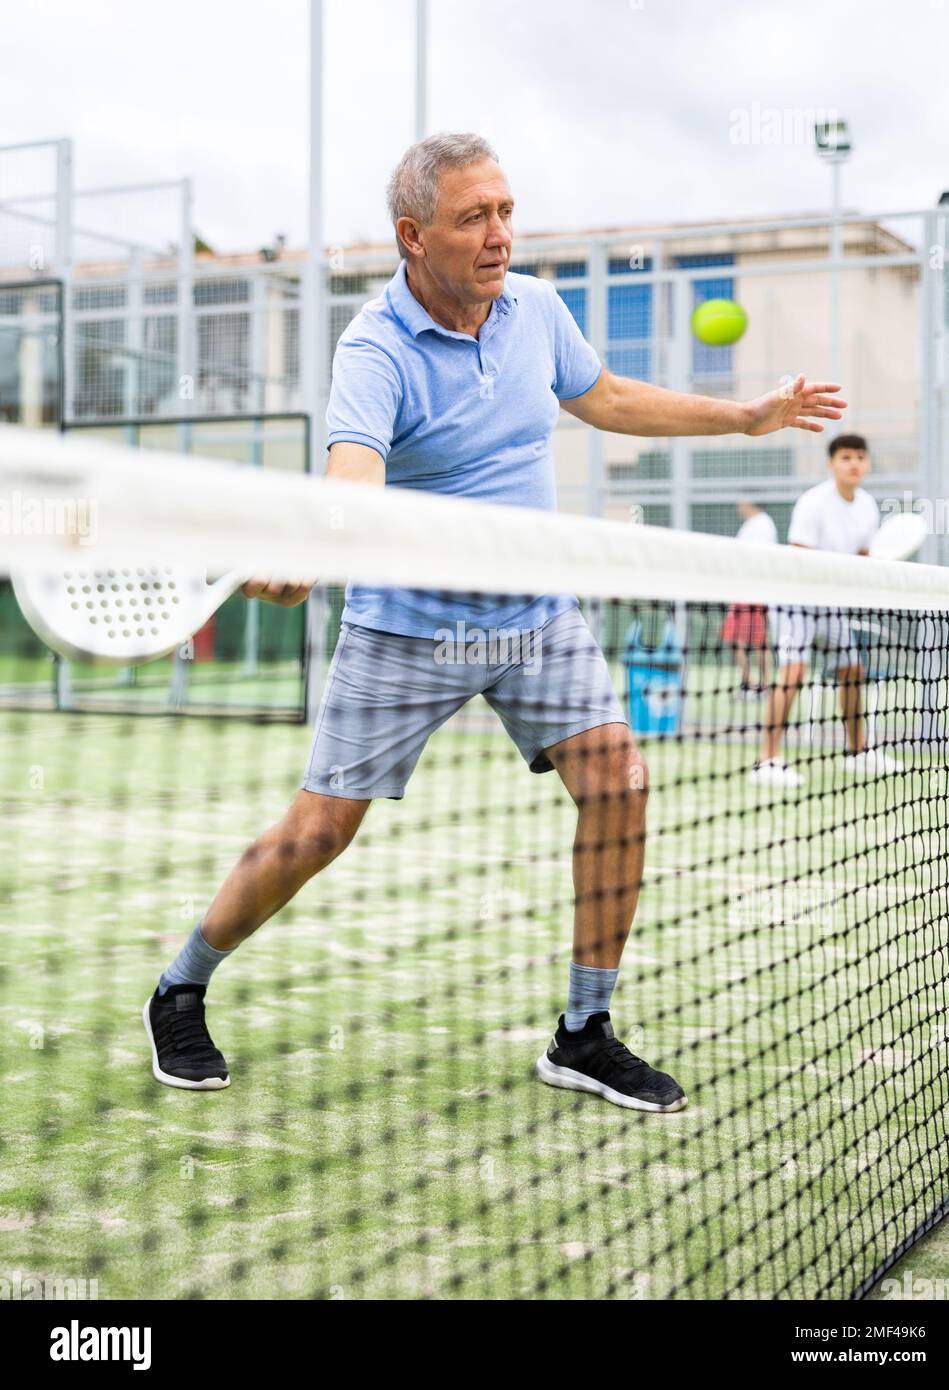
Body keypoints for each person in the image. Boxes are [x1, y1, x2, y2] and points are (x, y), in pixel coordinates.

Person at [144, 132, 846, 1111]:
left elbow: (604, 396)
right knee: (318, 831)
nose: (499, 234)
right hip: (408, 622)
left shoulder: (537, 311)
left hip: (532, 607)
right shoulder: (373, 346)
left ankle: (583, 1030)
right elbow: (354, 475)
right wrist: (315, 547)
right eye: (473, 216)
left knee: (620, 780)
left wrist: (745, 418)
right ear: (412, 235)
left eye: (505, 210)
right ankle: (181, 985)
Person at [750, 434, 902, 789]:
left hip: (829, 601)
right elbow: (800, 555)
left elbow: (863, 556)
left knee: (852, 669)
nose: (854, 463)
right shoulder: (813, 502)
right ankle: (767, 760)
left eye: (860, 457)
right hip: (796, 599)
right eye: (846, 457)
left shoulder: (867, 505)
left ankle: (858, 751)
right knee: (794, 671)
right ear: (831, 463)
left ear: (867, 464)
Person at [720, 501, 778, 698]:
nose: (738, 504)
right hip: (742, 591)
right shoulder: (750, 524)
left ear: (750, 502)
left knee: (758, 641)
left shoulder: (763, 524)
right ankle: (748, 683)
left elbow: (758, 558)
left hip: (755, 592)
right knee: (736, 639)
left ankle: (764, 685)